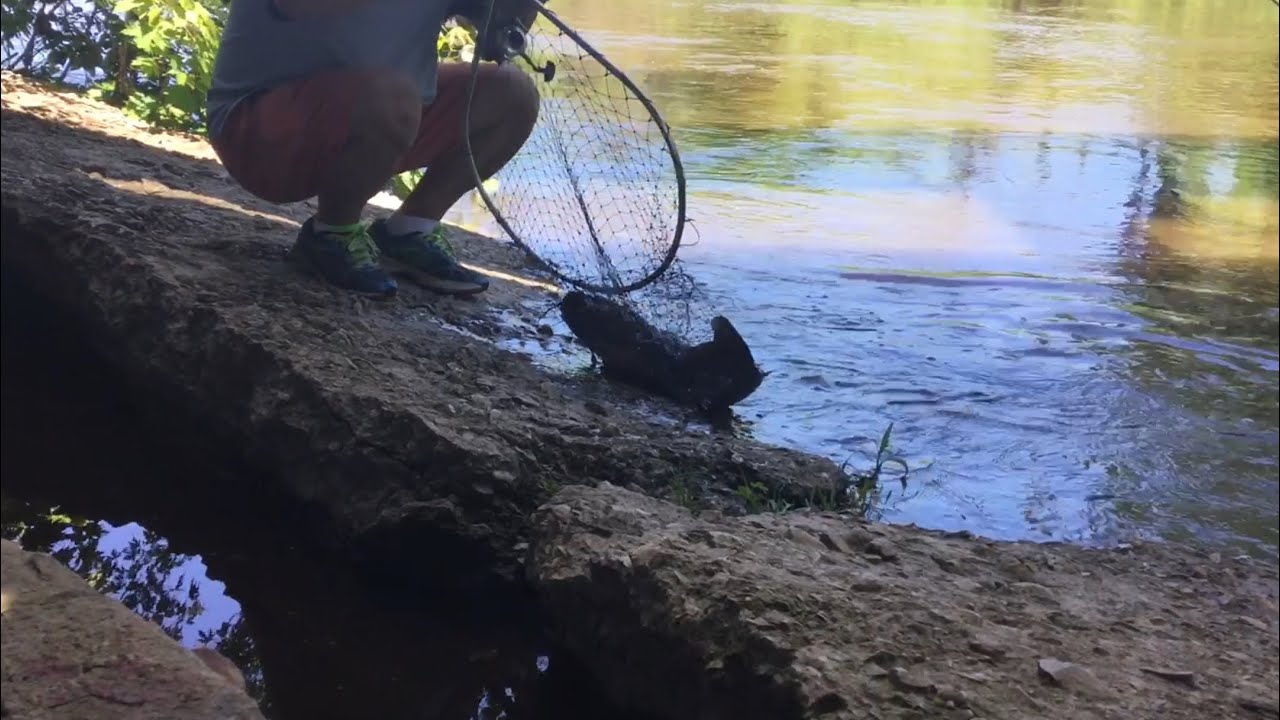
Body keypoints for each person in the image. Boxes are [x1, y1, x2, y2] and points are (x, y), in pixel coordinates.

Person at [205, 0, 540, 298]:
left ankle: (410, 231)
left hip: (376, 113)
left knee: (512, 96)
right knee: (392, 97)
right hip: (257, 130)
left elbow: (501, 28)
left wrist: (515, 11)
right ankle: (332, 234)